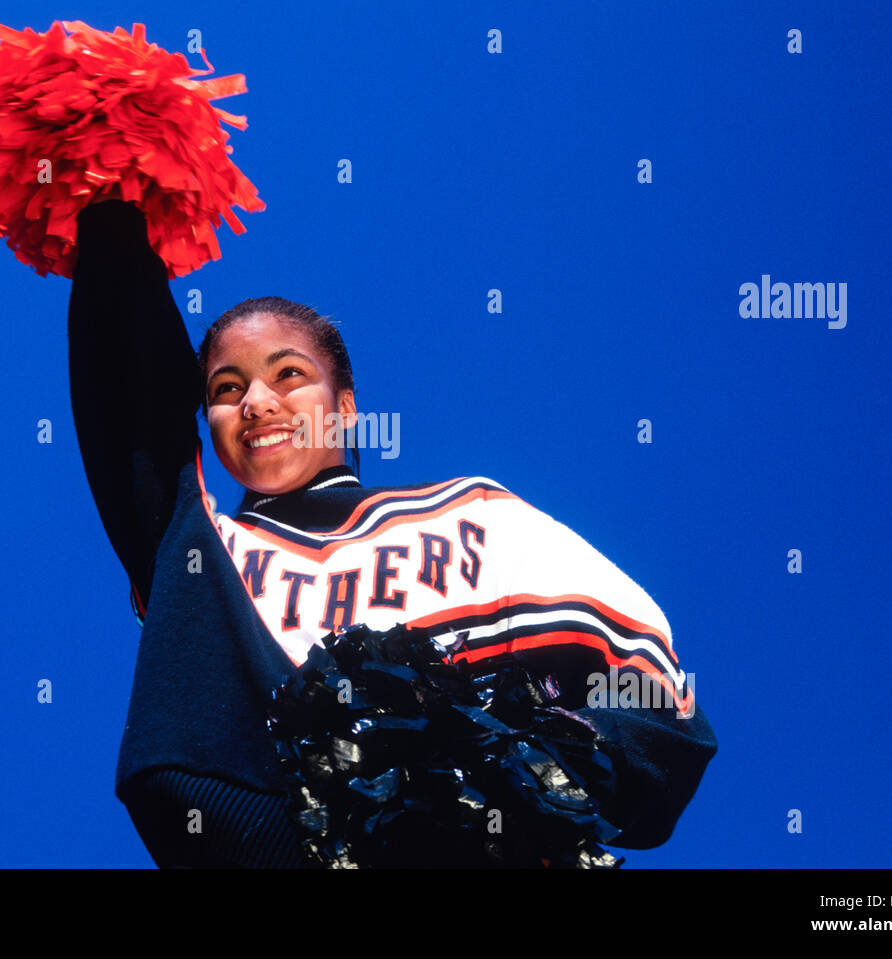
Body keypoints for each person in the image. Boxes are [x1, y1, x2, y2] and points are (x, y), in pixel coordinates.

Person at [67, 198, 717, 868]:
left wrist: (507, 782)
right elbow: (131, 404)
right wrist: (108, 196)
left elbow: (654, 698)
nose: (258, 402)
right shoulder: (203, 549)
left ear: (345, 406)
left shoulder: (475, 514)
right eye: (226, 389)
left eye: (288, 373)